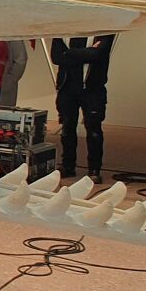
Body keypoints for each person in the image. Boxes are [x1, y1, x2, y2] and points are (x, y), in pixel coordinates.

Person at [52, 35, 115, 183]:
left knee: (94, 130)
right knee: (67, 129)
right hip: (67, 89)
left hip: (93, 90)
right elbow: (56, 57)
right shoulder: (64, 32)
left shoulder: (104, 31)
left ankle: (94, 169)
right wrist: (85, 53)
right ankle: (68, 166)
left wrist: (69, 52)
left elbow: (97, 54)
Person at [0, 40, 29, 106]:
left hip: (3, 83)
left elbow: (21, 60)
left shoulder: (11, 34)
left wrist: (10, 78)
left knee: (3, 113)